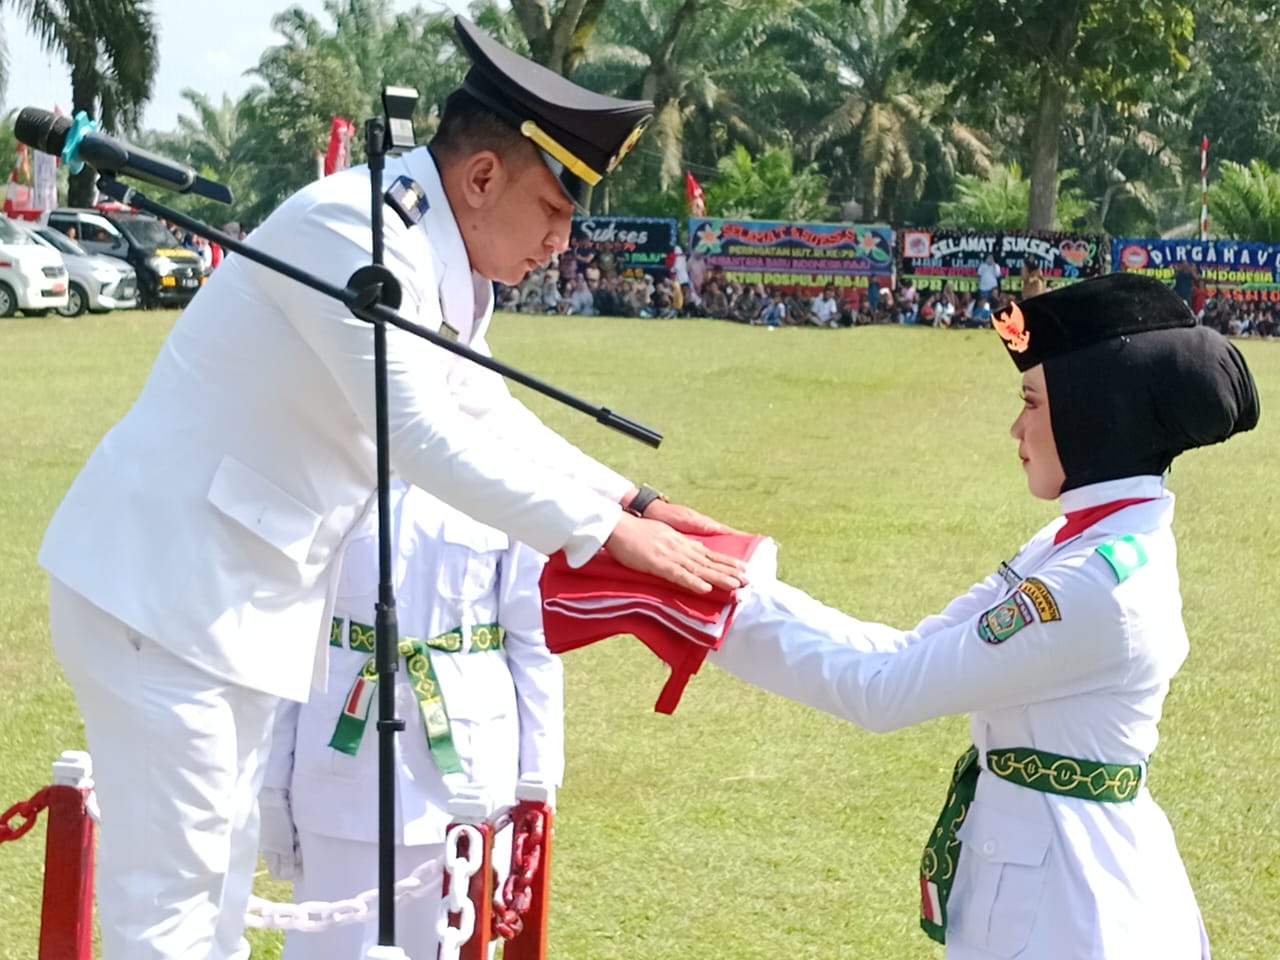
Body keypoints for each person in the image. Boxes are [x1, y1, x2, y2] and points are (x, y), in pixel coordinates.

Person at [38, 17, 743, 960]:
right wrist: (602, 537)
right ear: (483, 178)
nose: (564, 241)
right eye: (555, 207)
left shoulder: (432, 255)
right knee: (169, 915)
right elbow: (423, 438)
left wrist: (635, 504)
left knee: (209, 909)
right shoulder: (357, 232)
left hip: (231, 607)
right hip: (167, 599)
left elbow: (488, 411)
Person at [709, 272, 1258, 958]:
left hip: (1075, 918)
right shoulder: (1073, 544)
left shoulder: (1093, 583)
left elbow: (884, 690)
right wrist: (726, 579)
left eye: (1031, 402)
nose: (1015, 428)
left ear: (1095, 413)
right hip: (1051, 893)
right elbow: (903, 654)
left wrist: (707, 602)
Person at [259, 481, 561, 960]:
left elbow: (535, 643)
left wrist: (541, 784)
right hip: (339, 774)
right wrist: (270, 784)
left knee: (450, 942)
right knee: (328, 944)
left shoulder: (501, 482)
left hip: (466, 772)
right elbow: (287, 640)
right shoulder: (328, 472)